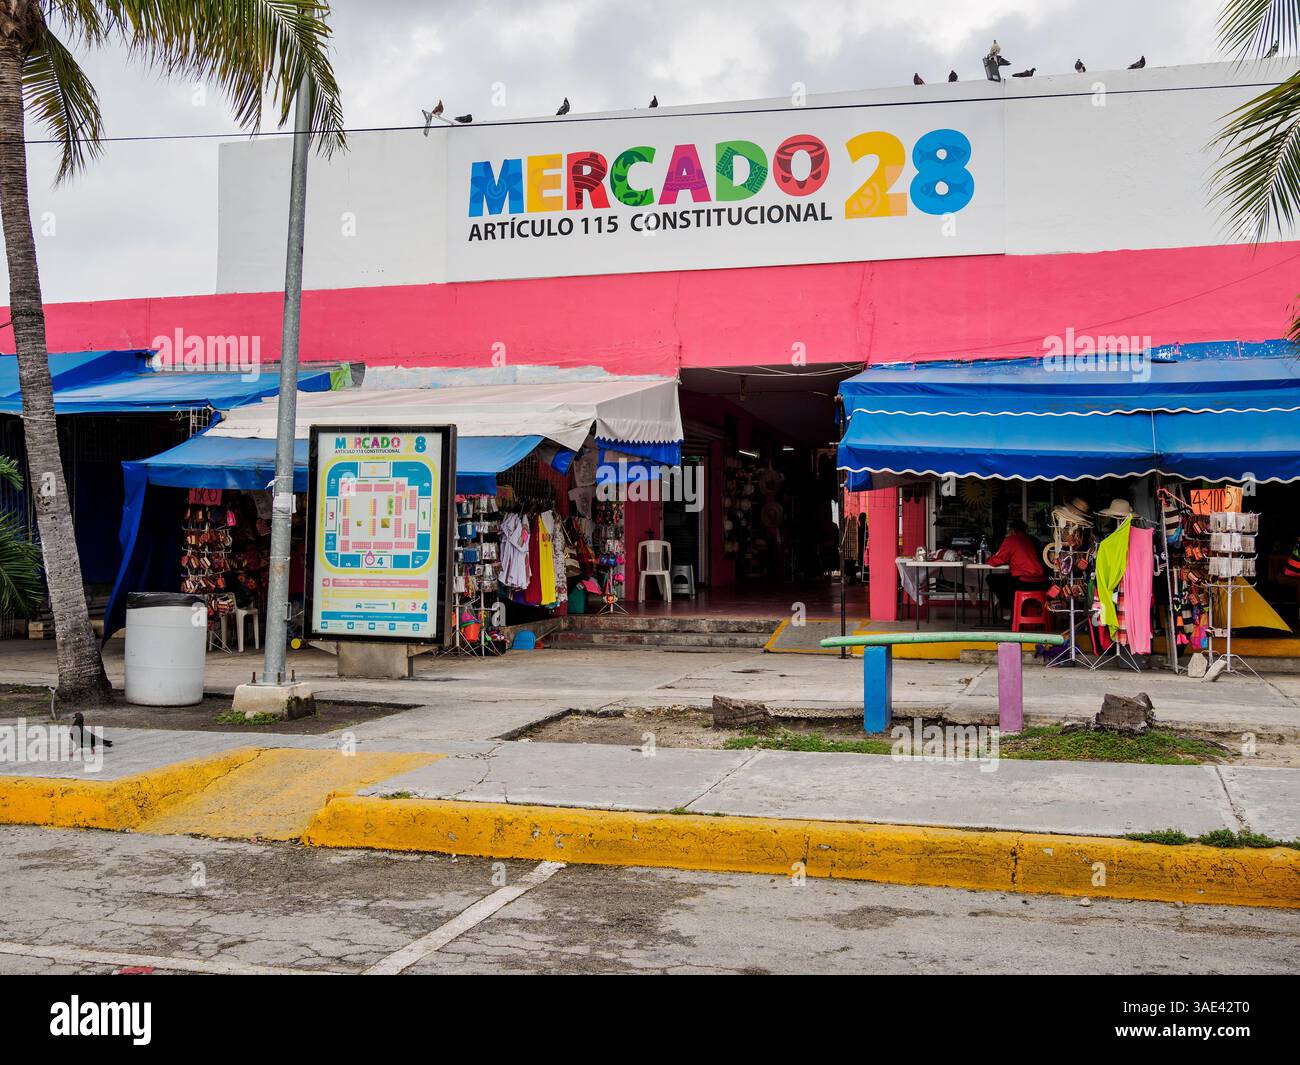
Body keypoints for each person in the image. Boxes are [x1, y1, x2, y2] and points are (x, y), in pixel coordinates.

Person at [986, 518, 1047, 620]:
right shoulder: (1032, 540)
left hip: (1024, 581)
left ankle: (1012, 608)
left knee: (992, 579)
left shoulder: (1012, 539)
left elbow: (998, 560)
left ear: (1012, 530)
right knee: (1008, 581)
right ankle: (1015, 608)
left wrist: (987, 559)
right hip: (1041, 581)